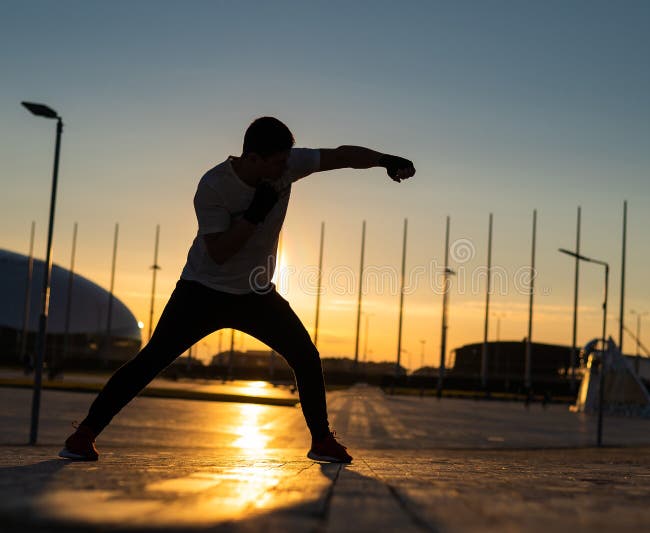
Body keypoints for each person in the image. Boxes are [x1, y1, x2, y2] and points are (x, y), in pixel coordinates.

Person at [59, 117, 415, 463]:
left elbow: (341, 156)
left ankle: (321, 441)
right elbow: (219, 253)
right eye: (276, 163)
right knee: (150, 361)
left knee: (305, 356)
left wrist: (384, 160)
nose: (283, 170)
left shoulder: (287, 164)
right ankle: (83, 435)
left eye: (285, 161)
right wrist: (255, 214)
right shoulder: (213, 186)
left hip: (256, 293)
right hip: (202, 291)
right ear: (252, 158)